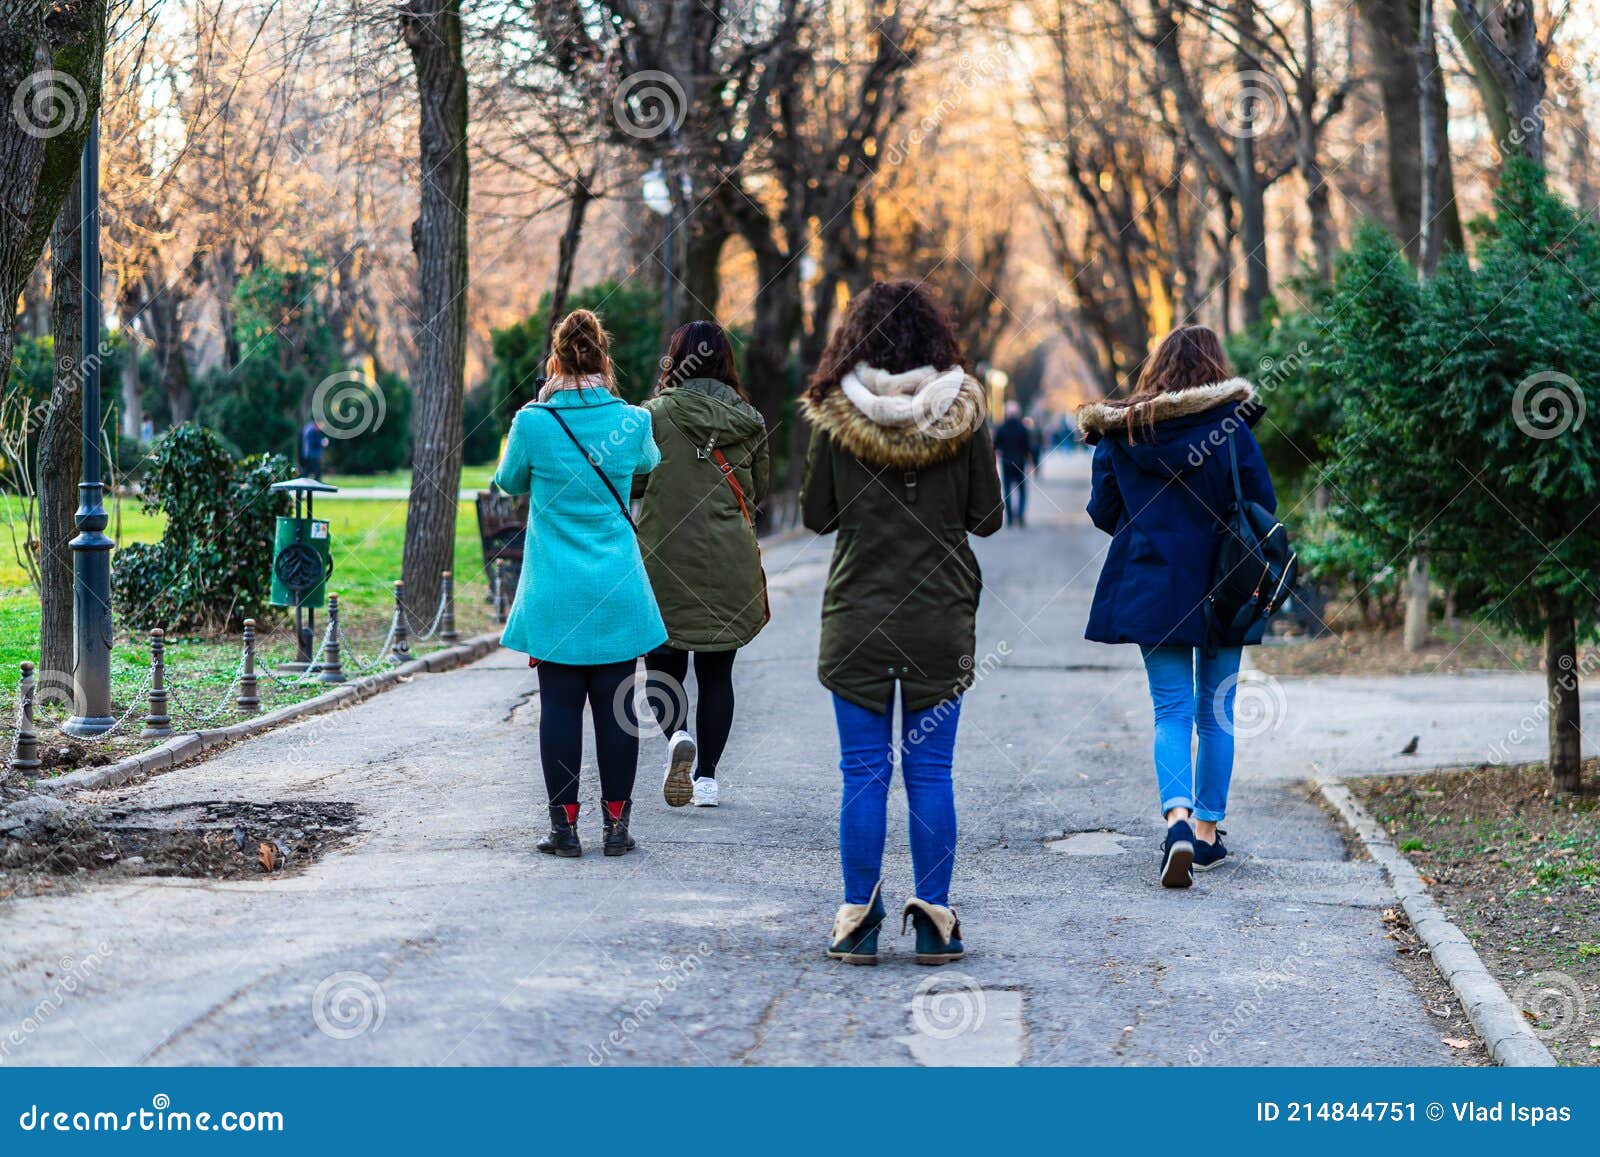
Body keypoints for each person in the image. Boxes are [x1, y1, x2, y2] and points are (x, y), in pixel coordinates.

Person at [801, 280, 1003, 965]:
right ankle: (934, 921)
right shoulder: (965, 411)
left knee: (862, 773)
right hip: (939, 617)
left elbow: (816, 515)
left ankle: (857, 920)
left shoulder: (835, 415)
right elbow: (988, 517)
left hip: (856, 614)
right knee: (929, 773)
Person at [1076, 325, 1277, 888]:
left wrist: (1151, 527)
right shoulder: (1232, 428)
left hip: (1153, 582)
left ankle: (1178, 821)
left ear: (1157, 369)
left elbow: (1102, 510)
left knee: (1171, 710)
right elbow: (1263, 506)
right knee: (1217, 711)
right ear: (1216, 366)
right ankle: (1209, 835)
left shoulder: (1125, 431)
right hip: (1225, 585)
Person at [493, 310, 667, 859]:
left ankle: (564, 830)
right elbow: (648, 463)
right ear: (603, 357)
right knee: (619, 709)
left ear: (556, 358)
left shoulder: (533, 421)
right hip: (615, 588)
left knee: (560, 710)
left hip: (555, 591)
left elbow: (508, 480)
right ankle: (617, 827)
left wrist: (543, 403)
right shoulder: (633, 420)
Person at [634, 320, 771, 808]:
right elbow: (755, 495)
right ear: (726, 363)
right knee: (718, 673)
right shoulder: (748, 420)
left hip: (661, 559)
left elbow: (633, 484)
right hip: (726, 560)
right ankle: (708, 781)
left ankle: (677, 738)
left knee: (662, 666)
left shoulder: (651, 417)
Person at [992, 401, 1038, 527]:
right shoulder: (1022, 428)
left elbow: (995, 446)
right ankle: (1021, 516)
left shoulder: (1001, 428)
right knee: (1022, 491)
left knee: (1007, 491)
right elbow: (1028, 447)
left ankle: (1010, 518)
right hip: (1020, 463)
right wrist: (1032, 463)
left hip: (1006, 463)